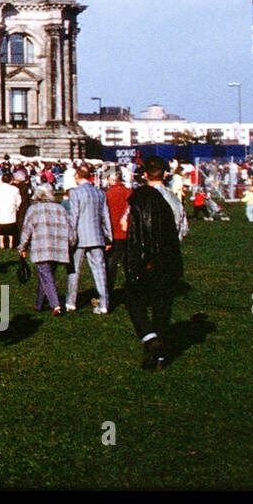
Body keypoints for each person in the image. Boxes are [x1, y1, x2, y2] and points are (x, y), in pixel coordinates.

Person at [124, 157, 185, 370]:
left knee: (135, 301)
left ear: (146, 174)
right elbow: (182, 230)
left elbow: (126, 224)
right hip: (168, 258)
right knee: (162, 308)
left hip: (145, 258)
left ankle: (150, 339)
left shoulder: (139, 198)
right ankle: (159, 357)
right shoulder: (174, 199)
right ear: (165, 174)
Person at [17, 184, 75, 315]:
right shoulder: (60, 208)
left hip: (41, 246)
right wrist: (71, 243)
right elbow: (70, 228)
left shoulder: (33, 209)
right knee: (45, 275)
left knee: (45, 274)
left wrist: (22, 247)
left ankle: (55, 305)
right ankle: (38, 304)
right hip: (58, 246)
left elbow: (27, 230)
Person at [66, 164, 114, 314]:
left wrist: (70, 237)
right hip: (96, 235)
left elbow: (74, 216)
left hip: (80, 236)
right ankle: (104, 304)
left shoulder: (75, 193)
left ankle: (70, 302)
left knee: (74, 270)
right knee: (100, 271)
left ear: (77, 176)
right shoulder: (100, 193)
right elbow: (106, 216)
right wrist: (109, 237)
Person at [104, 169, 131, 308]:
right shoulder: (129, 192)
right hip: (128, 234)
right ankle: (132, 292)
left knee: (111, 266)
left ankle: (107, 294)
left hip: (113, 234)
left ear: (110, 179)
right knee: (129, 265)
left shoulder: (108, 194)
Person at [0, 174, 22, 249]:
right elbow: (19, 200)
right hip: (11, 209)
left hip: (0, 209)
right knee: (11, 227)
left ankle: (2, 243)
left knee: (1, 226)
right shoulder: (15, 189)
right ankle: (11, 243)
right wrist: (16, 207)